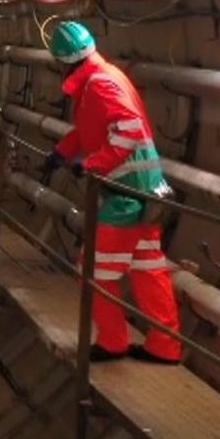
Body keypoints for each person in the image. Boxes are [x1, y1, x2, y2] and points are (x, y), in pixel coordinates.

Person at [39, 21, 185, 364]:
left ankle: (113, 342)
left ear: (63, 61)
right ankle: (165, 347)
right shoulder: (103, 78)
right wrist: (62, 152)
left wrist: (91, 165)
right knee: (147, 268)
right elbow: (92, 129)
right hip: (147, 191)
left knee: (93, 270)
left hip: (127, 195)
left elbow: (128, 131)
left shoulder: (100, 84)